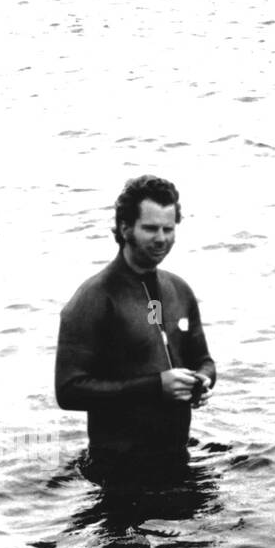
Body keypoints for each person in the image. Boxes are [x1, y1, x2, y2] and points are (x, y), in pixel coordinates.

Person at [55, 175, 216, 459]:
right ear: (125, 228)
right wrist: (156, 387)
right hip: (118, 468)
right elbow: (68, 391)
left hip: (177, 456)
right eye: (151, 229)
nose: (162, 239)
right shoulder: (94, 297)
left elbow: (203, 360)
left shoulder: (179, 290)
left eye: (168, 229)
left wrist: (202, 381)